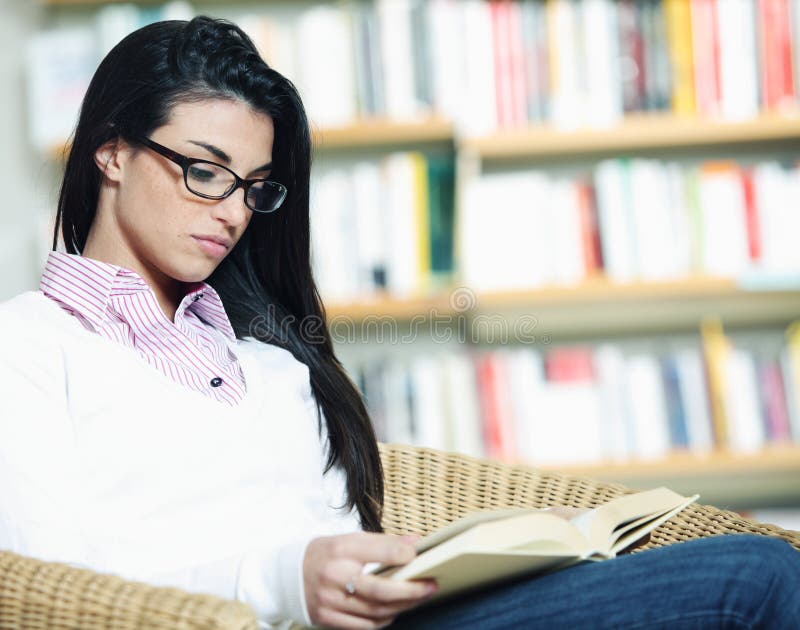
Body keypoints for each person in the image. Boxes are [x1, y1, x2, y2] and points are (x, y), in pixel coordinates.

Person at [1, 16, 798, 630]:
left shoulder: (271, 360)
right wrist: (281, 578)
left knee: (750, 562)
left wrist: (493, 555)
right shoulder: (32, 344)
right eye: (204, 172)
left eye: (255, 188)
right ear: (111, 152)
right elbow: (52, 586)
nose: (234, 213)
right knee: (751, 582)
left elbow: (348, 549)